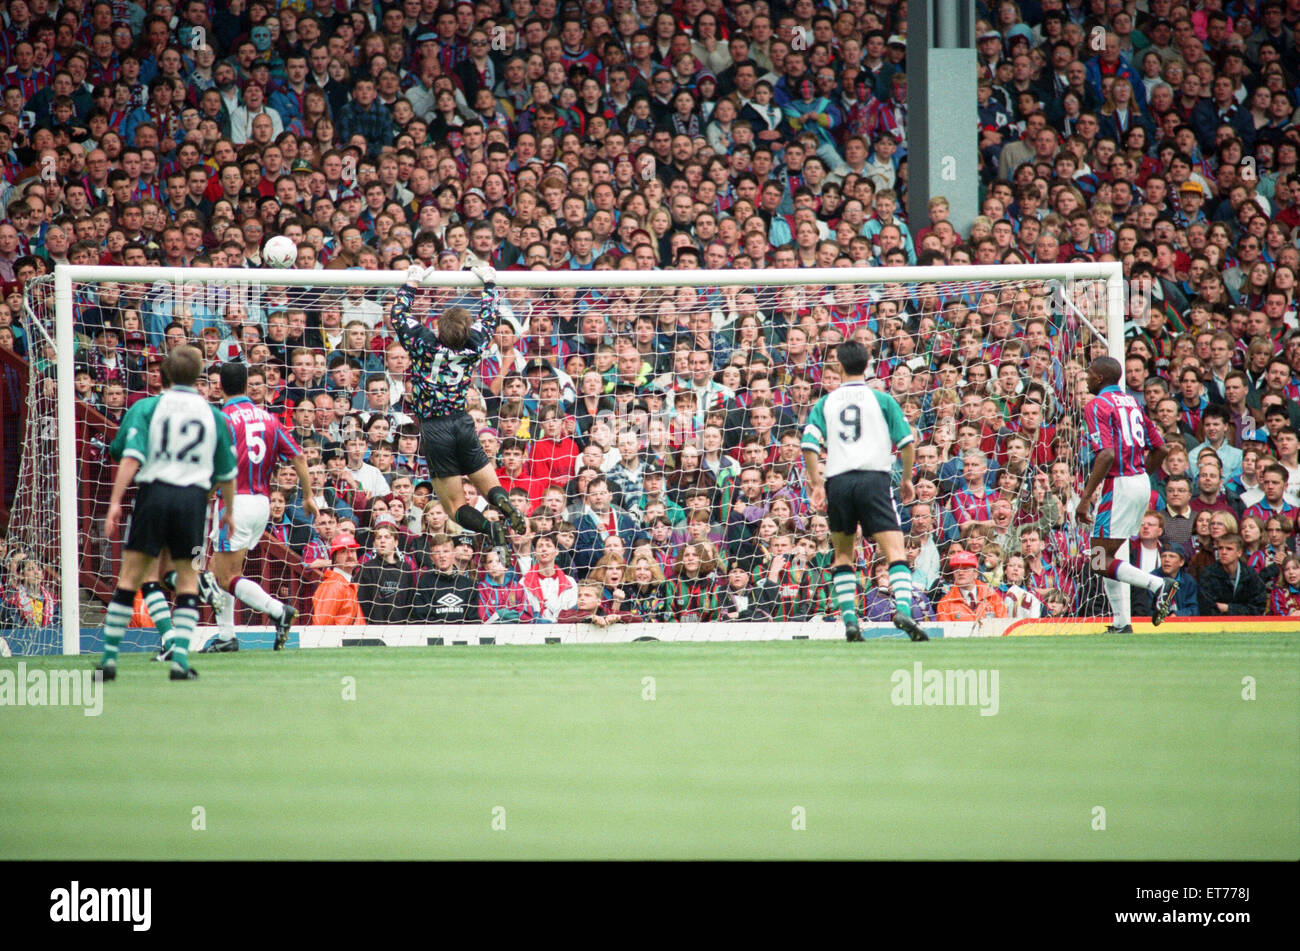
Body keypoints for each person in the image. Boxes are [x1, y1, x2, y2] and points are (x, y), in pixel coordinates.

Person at [99, 346, 237, 681]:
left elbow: (129, 455)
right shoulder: (214, 416)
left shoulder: (148, 408)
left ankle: (108, 662)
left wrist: (116, 501)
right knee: (188, 580)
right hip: (193, 503)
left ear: (162, 375)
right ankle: (180, 662)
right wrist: (228, 511)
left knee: (130, 577)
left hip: (154, 495)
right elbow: (228, 473)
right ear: (200, 378)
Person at [392, 260, 527, 549]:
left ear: (439, 328)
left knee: (454, 506)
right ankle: (506, 505)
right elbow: (490, 316)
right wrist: (489, 282)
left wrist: (412, 281)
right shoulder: (475, 345)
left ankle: (489, 528)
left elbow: (398, 315)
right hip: (463, 423)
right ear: (468, 330)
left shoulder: (423, 344)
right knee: (491, 488)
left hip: (434, 428)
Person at [801, 340, 927, 642]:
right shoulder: (882, 400)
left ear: (839, 367)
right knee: (895, 551)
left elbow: (808, 445)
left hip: (839, 482)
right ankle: (904, 610)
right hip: (874, 480)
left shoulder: (826, 402)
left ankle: (849, 621)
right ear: (868, 364)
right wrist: (907, 479)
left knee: (843, 555)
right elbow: (908, 443)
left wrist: (816, 484)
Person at [200, 362, 316, 653]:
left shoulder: (223, 418)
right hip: (262, 503)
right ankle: (227, 637)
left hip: (235, 503)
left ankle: (277, 610)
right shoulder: (268, 419)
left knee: (223, 576)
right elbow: (299, 458)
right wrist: (308, 495)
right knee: (220, 571)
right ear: (247, 385)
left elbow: (220, 468)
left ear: (220, 386)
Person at [1076, 356, 1179, 633]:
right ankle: (1122, 623)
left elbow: (1107, 453)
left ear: (1098, 378)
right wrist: (1141, 474)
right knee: (1109, 555)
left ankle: (1158, 584)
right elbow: (1162, 448)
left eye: (1088, 373)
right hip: (1140, 480)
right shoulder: (1131, 403)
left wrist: (1085, 498)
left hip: (1119, 484)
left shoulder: (1097, 405)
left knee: (1098, 559)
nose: (1085, 378)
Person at [1196, 533, 1268, 616]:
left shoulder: (1250, 574)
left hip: (1246, 625)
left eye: (1229, 549)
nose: (1223, 552)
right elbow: (1206, 608)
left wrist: (1228, 608)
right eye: (1220, 548)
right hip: (1217, 625)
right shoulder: (1208, 574)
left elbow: (1258, 608)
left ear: (1239, 552)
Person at [935, 550, 1009, 622]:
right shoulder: (945, 604)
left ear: (976, 573)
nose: (960, 573)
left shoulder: (992, 596)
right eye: (956, 570)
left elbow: (1003, 624)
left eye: (965, 569)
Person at [309, 534, 367, 626]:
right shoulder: (333, 585)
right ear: (334, 558)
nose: (349, 555)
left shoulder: (345, 583)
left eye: (352, 551)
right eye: (343, 551)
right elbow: (321, 626)